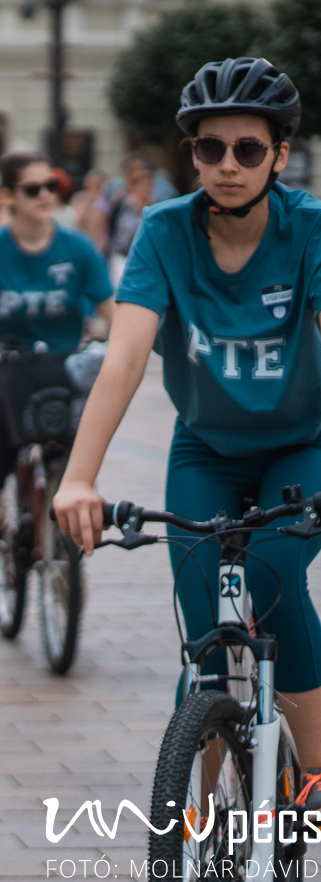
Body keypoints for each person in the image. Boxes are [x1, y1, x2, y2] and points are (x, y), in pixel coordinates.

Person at [54, 58, 321, 790]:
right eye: (211, 147)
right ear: (192, 154)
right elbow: (124, 359)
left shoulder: (309, 228)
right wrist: (78, 479)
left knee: (272, 572)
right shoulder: (164, 230)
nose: (228, 165)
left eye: (248, 149)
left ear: (279, 156)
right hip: (205, 449)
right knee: (204, 631)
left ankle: (315, 778)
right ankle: (199, 825)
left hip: (302, 446)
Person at [0, 151, 115, 528]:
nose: (46, 195)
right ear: (7, 196)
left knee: (77, 415)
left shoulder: (79, 249)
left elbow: (113, 308)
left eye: (51, 186)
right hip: (4, 362)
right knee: (12, 405)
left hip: (64, 362)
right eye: (33, 189)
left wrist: (127, 340)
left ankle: (79, 487)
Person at [102, 155, 160, 282]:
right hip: (122, 256)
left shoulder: (156, 207)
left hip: (147, 260)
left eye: (148, 185)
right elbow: (110, 227)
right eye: (142, 185)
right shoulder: (121, 204)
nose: (145, 188)